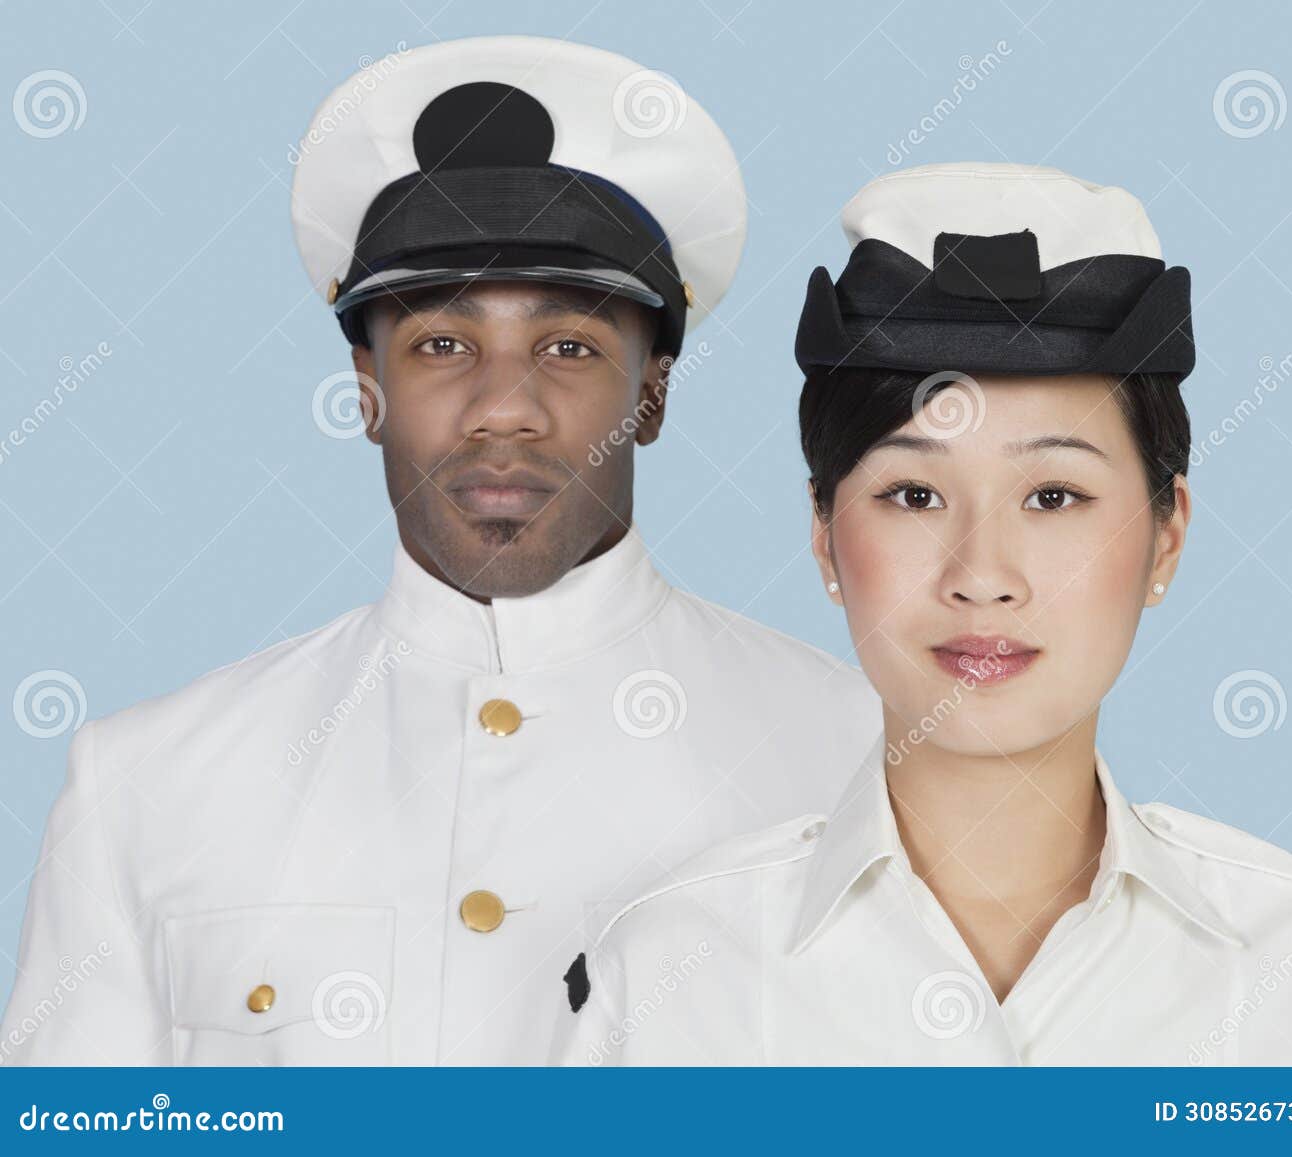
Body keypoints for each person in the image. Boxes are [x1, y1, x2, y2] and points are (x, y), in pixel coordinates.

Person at [0, 35, 879, 1066]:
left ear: (651, 393)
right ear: (367, 392)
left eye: (569, 347)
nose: (503, 409)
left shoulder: (860, 756)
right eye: (441, 345)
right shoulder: (147, 783)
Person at [552, 162, 1292, 1065]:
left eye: (1054, 496)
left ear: (1166, 536)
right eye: (912, 493)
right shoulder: (670, 978)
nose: (983, 575)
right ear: (824, 534)